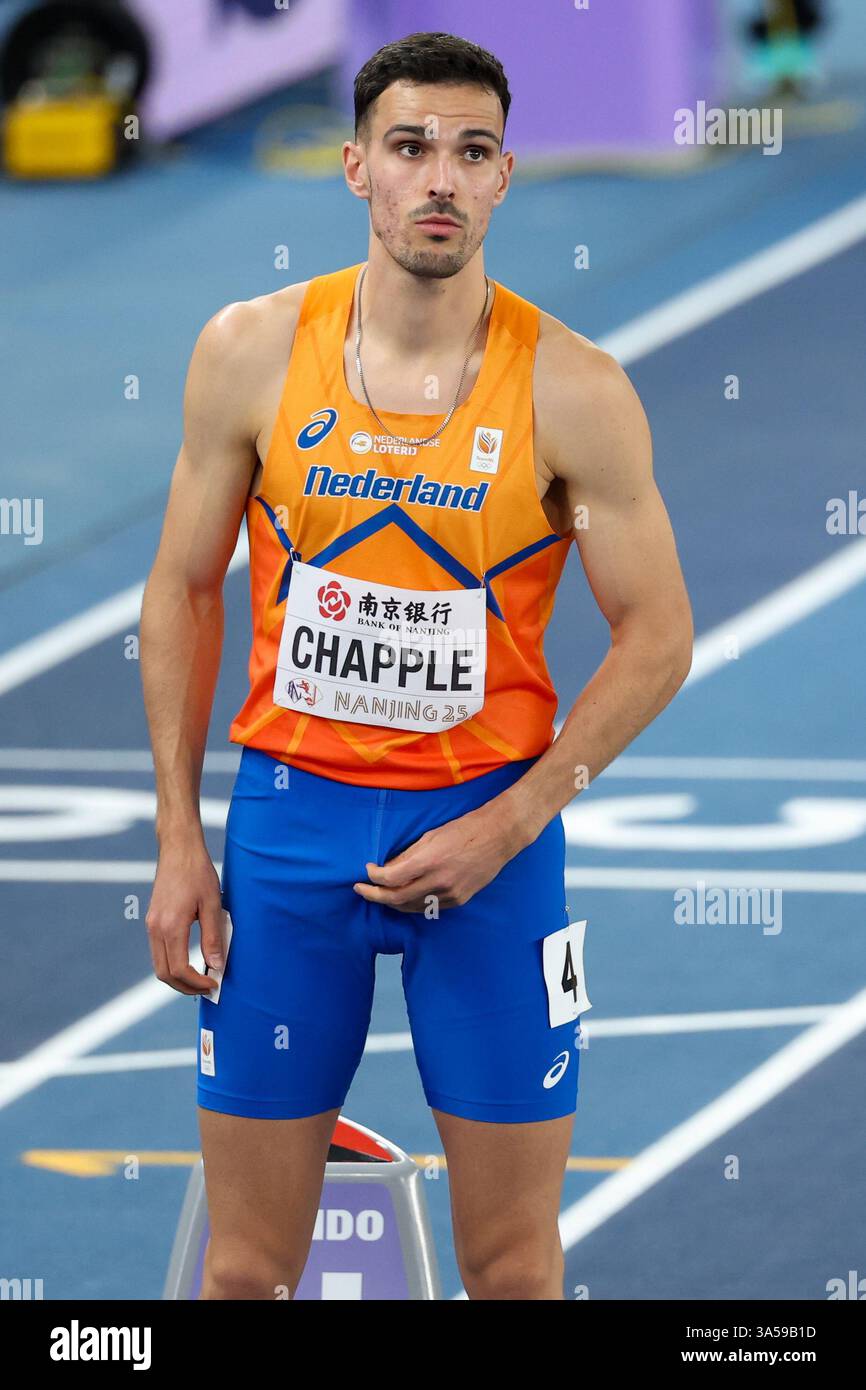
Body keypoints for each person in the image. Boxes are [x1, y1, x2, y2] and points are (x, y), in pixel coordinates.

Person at [140, 30, 693, 1301]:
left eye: (471, 150)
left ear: (504, 180)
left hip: (488, 845)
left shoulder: (572, 389)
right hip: (288, 837)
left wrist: (509, 824)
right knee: (242, 1270)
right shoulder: (249, 351)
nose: (438, 176)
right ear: (355, 170)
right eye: (409, 147)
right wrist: (178, 837)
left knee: (510, 1267)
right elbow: (178, 589)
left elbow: (656, 634)